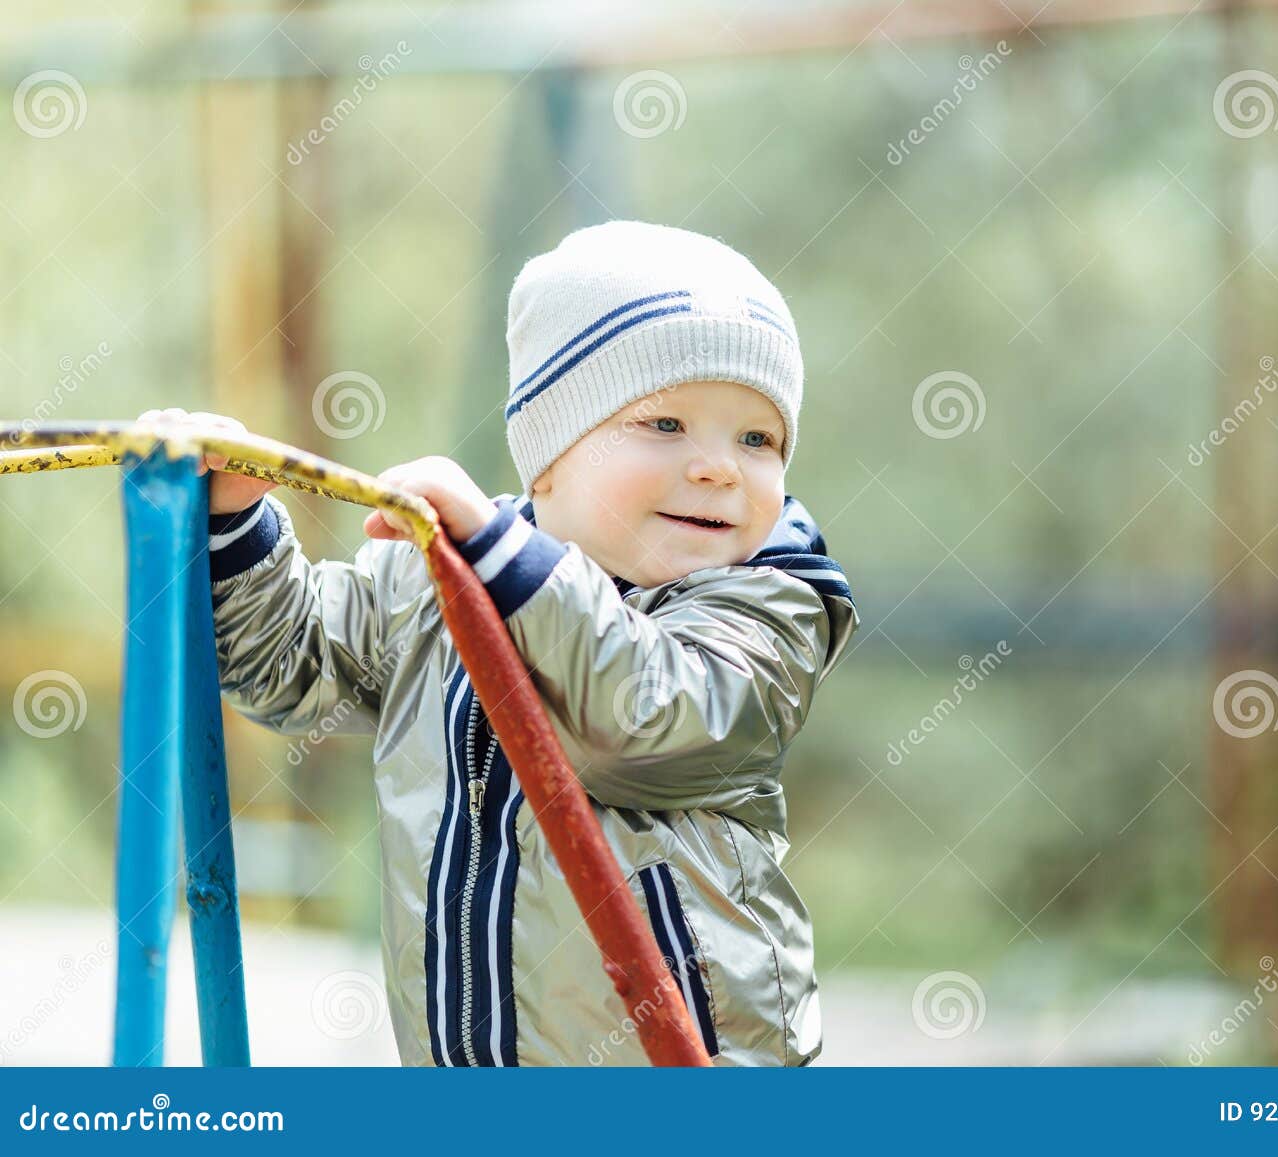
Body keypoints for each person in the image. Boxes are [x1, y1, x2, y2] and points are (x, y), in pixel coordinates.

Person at [140, 220, 858, 1065]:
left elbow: (645, 723)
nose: (720, 467)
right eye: (666, 424)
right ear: (547, 453)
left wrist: (502, 561)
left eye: (757, 438)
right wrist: (232, 522)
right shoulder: (441, 579)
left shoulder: (762, 607)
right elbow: (292, 662)